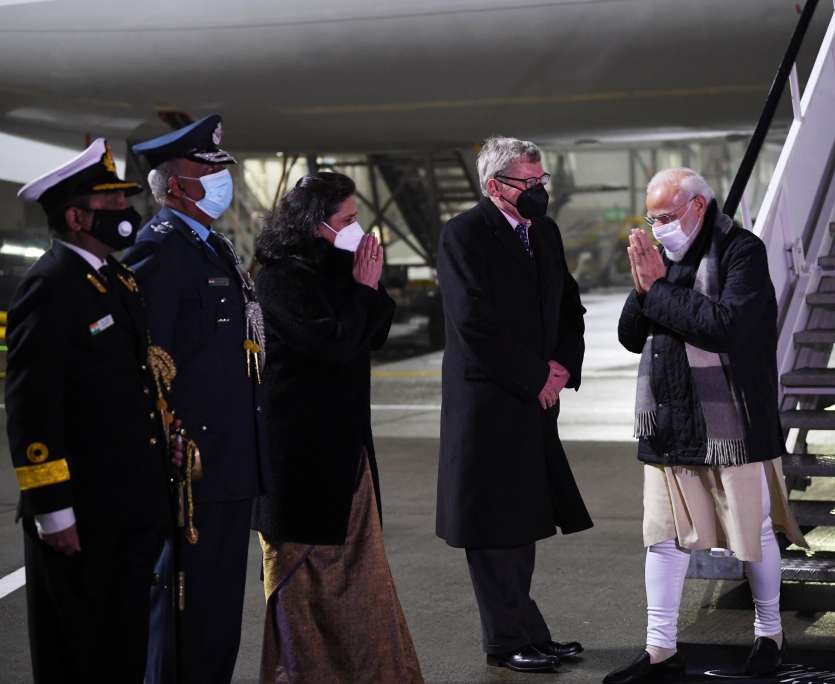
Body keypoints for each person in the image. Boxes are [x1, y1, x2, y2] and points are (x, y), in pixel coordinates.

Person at [605, 168, 808, 684]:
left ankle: (769, 633)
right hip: (669, 422)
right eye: (652, 219)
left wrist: (658, 289)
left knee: (754, 531)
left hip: (732, 423)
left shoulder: (743, 251)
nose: (658, 228)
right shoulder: (663, 259)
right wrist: (645, 286)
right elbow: (633, 336)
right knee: (663, 537)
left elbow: (726, 327)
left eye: (667, 217)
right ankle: (659, 648)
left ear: (698, 207)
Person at [7, 139, 169, 683]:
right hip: (82, 512)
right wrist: (53, 510)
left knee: (122, 642)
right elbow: (32, 407)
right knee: (80, 648)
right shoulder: (51, 286)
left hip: (125, 505)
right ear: (76, 217)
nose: (127, 214)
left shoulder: (115, 280)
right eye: (112, 205)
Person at [251, 171, 424, 683]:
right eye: (347, 220)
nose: (358, 229)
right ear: (314, 224)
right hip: (300, 460)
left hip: (345, 452)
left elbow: (375, 331)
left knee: (360, 580)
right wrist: (363, 290)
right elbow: (330, 345)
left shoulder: (339, 265)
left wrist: (367, 285)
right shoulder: (279, 277)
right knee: (303, 585)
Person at [435, 136, 593, 674]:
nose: (538, 192)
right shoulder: (463, 236)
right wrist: (535, 377)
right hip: (489, 403)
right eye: (528, 183)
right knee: (492, 527)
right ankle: (505, 642)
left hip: (533, 399)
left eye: (541, 181)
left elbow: (569, 306)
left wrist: (562, 367)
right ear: (493, 185)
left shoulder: (543, 233)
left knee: (525, 522)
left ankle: (529, 631)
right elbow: (473, 324)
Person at [122, 114, 269, 684]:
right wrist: (167, 449)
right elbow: (147, 366)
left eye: (220, 169)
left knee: (217, 616)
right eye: (205, 170)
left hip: (230, 462)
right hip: (193, 468)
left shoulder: (212, 247)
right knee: (187, 613)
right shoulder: (160, 252)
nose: (218, 179)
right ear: (175, 185)